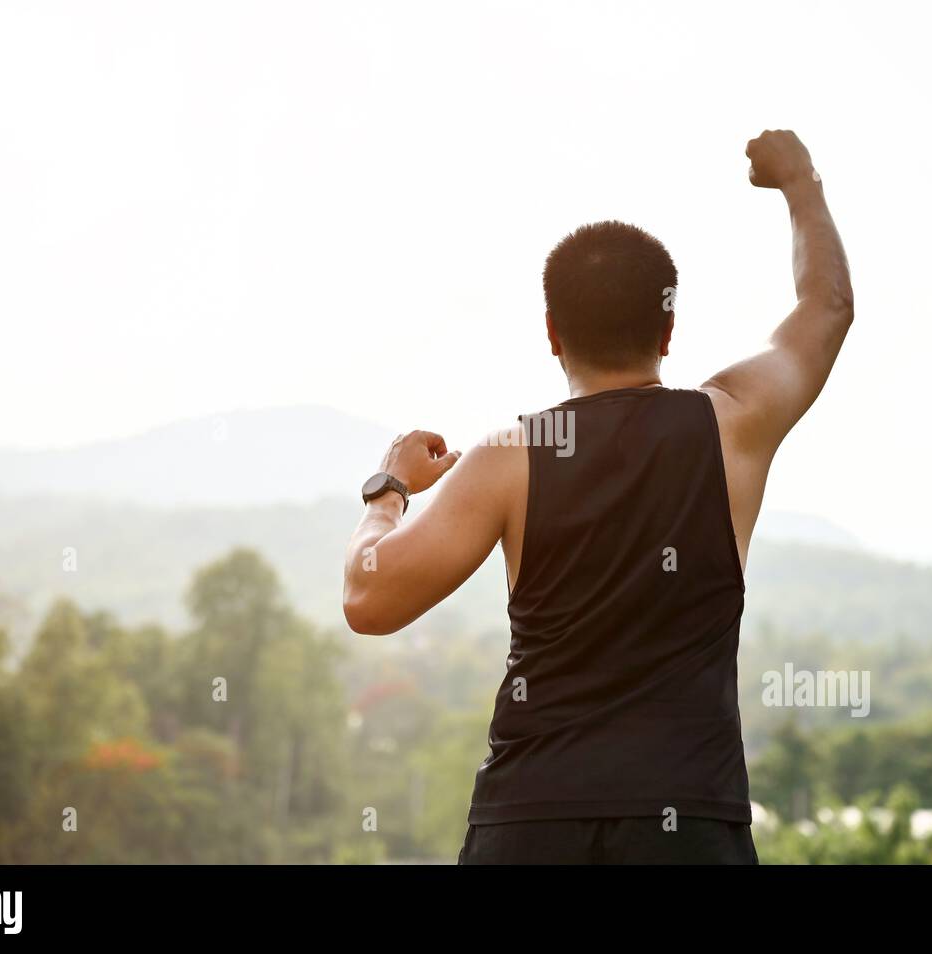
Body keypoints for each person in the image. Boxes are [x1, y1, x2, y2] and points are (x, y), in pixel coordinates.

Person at [342, 130, 853, 864]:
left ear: (552, 334)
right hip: (689, 827)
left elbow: (368, 598)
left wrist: (387, 491)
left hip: (531, 824)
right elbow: (828, 306)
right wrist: (799, 180)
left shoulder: (510, 458)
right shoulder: (731, 425)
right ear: (668, 330)